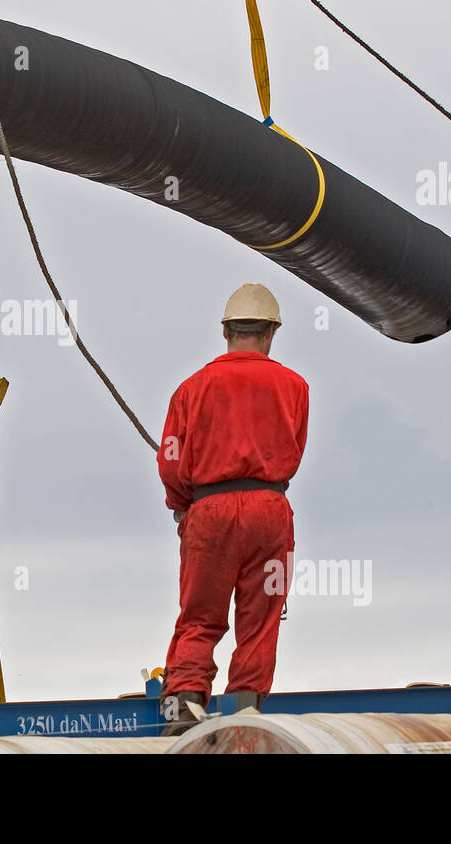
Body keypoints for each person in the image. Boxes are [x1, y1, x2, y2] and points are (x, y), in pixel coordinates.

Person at [156, 283, 309, 735]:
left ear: (225, 330)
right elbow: (295, 450)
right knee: (261, 617)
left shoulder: (190, 389)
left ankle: (183, 705)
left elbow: (169, 458)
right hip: (269, 509)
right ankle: (245, 709)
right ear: (272, 333)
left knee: (199, 614)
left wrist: (183, 506)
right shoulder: (295, 387)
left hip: (209, 512)